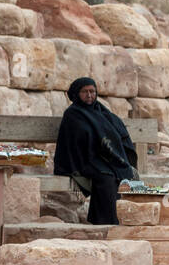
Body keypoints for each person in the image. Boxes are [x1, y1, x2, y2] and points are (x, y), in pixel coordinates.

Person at [54, 77, 139, 224]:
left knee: (122, 174)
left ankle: (121, 219)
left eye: (92, 91)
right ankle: (105, 222)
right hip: (82, 159)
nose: (89, 95)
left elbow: (116, 132)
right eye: (84, 92)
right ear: (75, 94)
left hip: (103, 158)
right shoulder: (73, 114)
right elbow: (75, 143)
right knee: (106, 178)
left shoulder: (100, 110)